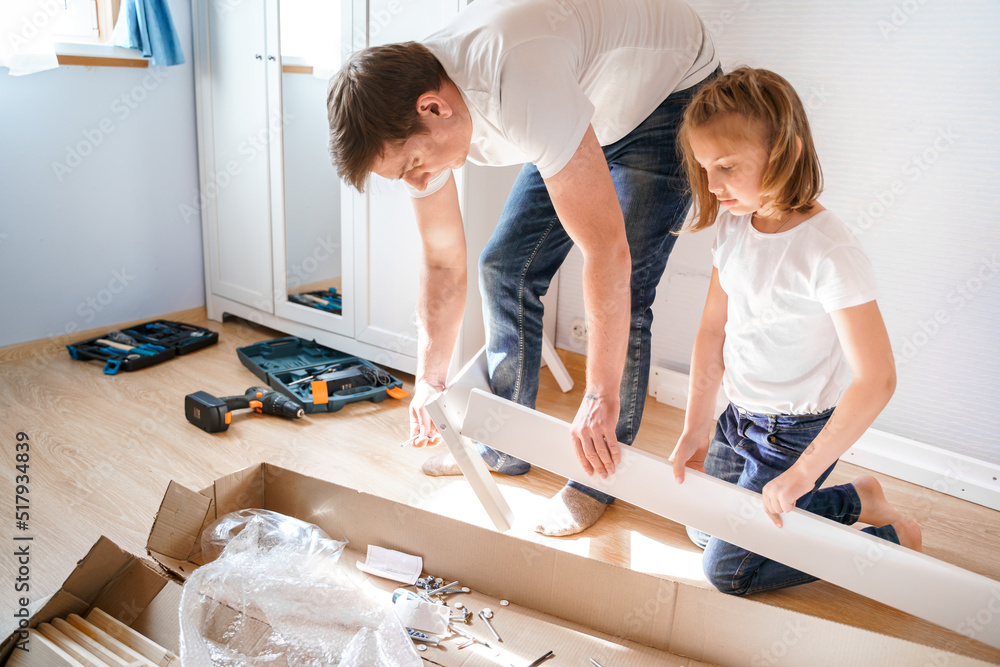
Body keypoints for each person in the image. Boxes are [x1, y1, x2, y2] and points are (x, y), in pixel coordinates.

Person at [327, 0, 719, 536]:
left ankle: (602, 473)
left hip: (666, 95)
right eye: (402, 176)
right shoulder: (424, 106)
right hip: (583, 99)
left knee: (633, 278)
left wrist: (599, 394)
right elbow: (443, 262)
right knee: (503, 266)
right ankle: (503, 444)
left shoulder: (518, 82)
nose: (418, 184)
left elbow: (608, 253)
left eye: (415, 165)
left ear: (434, 108)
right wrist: (429, 379)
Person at [668, 67, 921, 595]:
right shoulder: (734, 223)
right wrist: (696, 424)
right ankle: (853, 499)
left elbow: (877, 379)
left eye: (727, 167)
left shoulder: (830, 252)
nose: (712, 185)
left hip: (794, 433)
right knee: (698, 527)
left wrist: (803, 473)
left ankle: (889, 545)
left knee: (728, 572)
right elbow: (713, 329)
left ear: (787, 151)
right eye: (703, 167)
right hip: (738, 417)